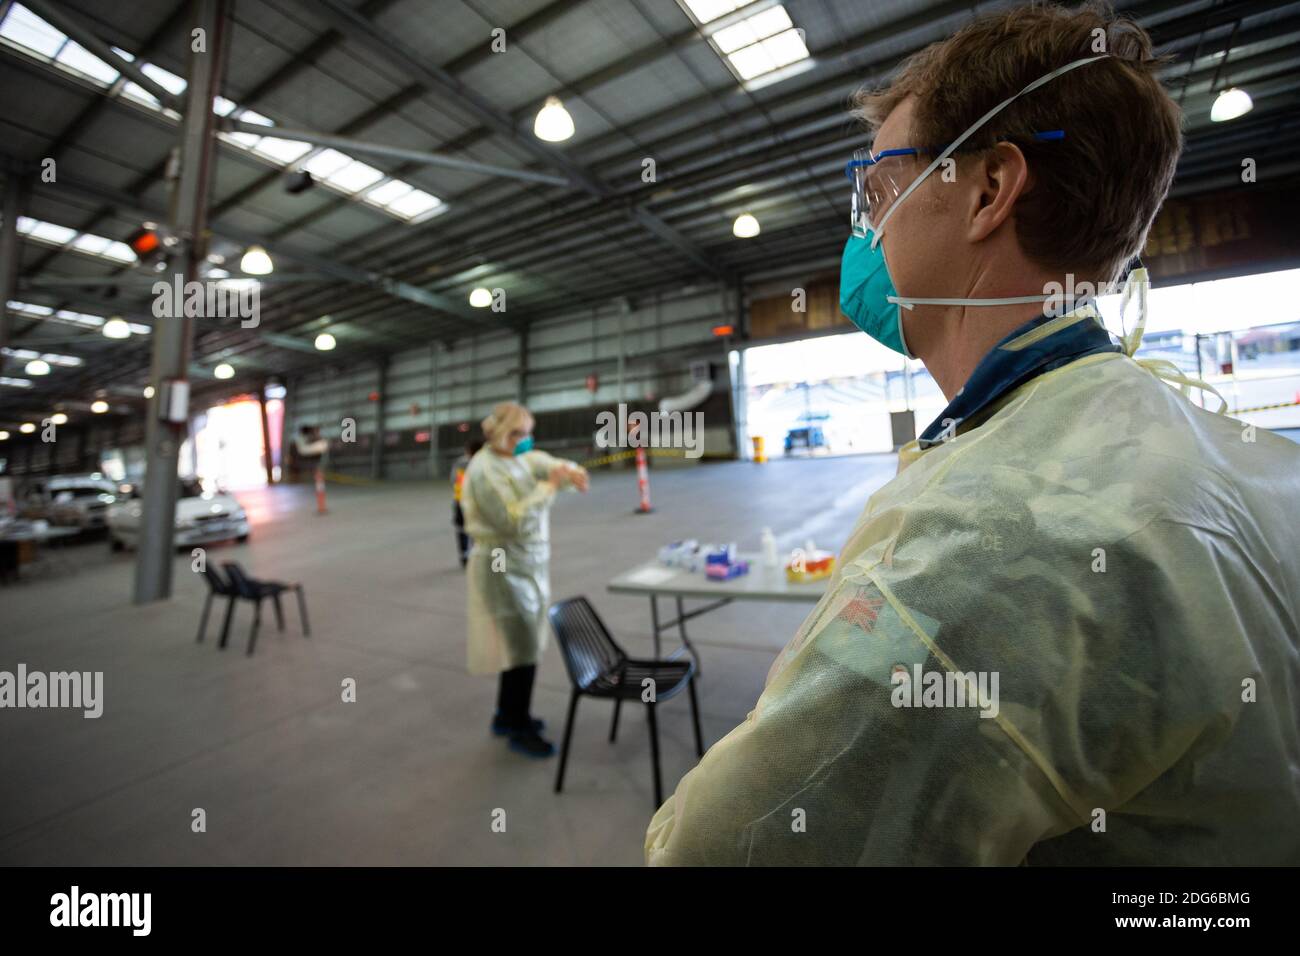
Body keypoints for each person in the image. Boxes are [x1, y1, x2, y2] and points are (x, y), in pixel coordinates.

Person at [646, 2, 1300, 865]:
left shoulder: (982, 544)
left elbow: (718, 847)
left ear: (989, 190)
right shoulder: (1237, 455)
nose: (867, 229)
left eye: (879, 190)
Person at [461, 401, 589, 757]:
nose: (526, 441)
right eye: (518, 433)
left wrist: (569, 471)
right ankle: (516, 725)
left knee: (523, 644)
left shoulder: (514, 457)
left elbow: (542, 462)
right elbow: (512, 519)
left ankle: (507, 715)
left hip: (524, 563)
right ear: (499, 433)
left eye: (528, 432)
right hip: (502, 566)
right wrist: (549, 487)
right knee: (523, 647)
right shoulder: (485, 470)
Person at [450, 438, 484, 569]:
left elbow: (453, 480)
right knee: (478, 529)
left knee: (462, 529)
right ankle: (478, 555)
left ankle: (465, 555)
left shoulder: (460, 463)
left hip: (461, 500)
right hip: (477, 502)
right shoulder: (484, 463)